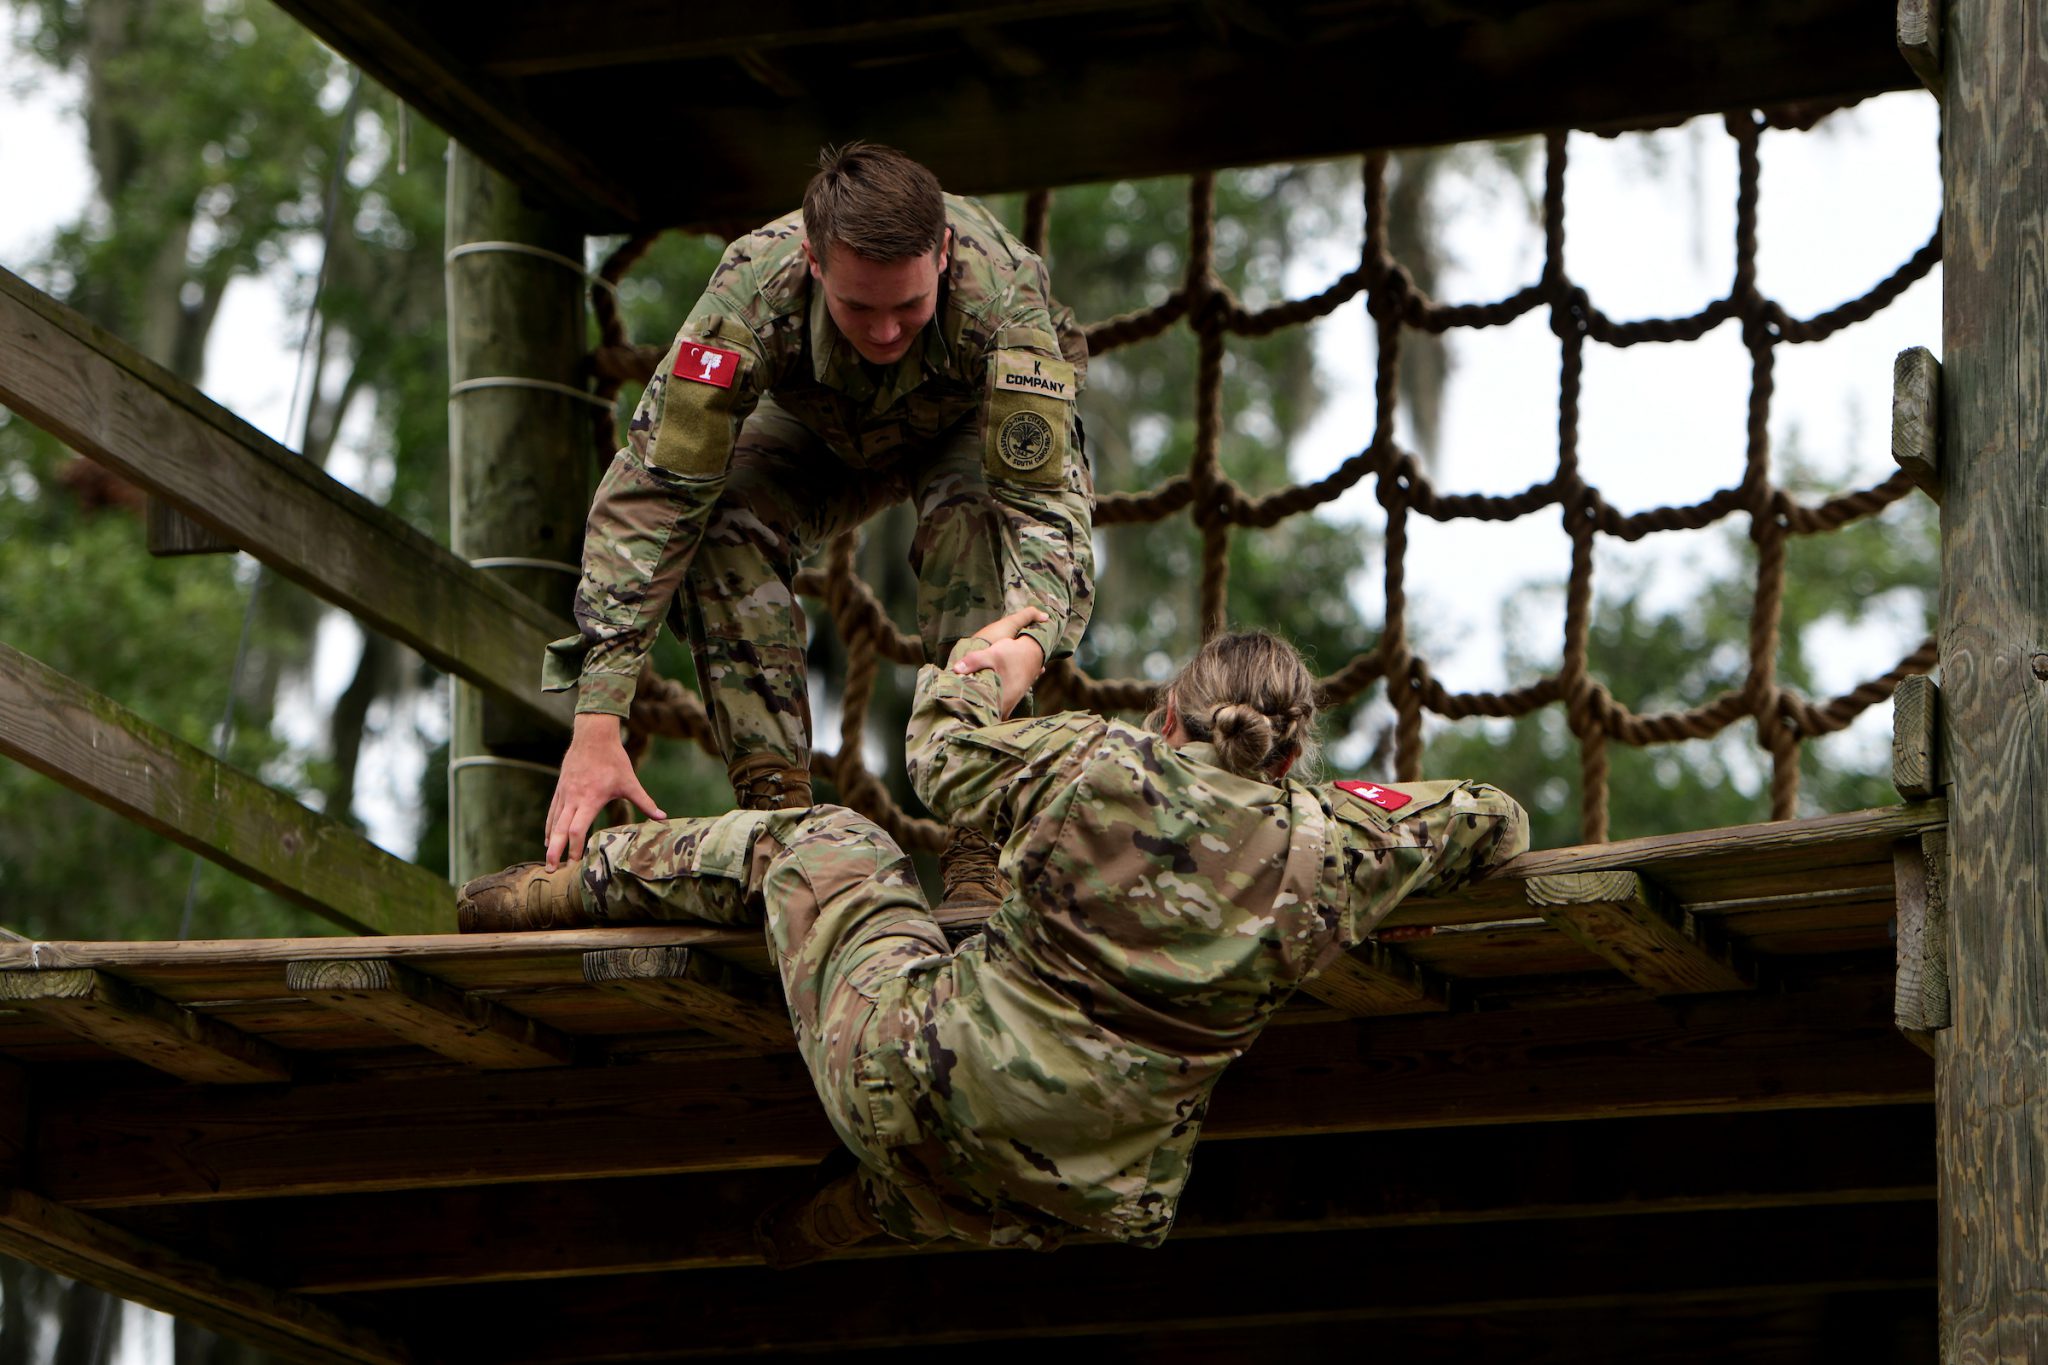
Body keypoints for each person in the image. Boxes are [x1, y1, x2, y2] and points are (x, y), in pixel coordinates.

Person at [459, 609, 1526, 1259]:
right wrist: (1346, 808)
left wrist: (991, 662)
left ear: (1170, 715)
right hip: (1102, 1197)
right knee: (1016, 1144)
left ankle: (555, 885)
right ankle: (896, 1207)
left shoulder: (1096, 759)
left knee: (830, 842)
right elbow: (1494, 816)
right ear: (1290, 753)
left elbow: (936, 761)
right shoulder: (1334, 844)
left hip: (920, 1083)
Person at [540, 142, 1095, 911]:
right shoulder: (750, 290)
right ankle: (778, 827)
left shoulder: (1004, 294)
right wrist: (598, 714)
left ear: (941, 255)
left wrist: (1030, 641)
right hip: (823, 435)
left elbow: (1042, 506)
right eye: (858, 308)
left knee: (974, 522)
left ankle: (981, 843)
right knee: (722, 513)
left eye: (908, 307)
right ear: (811, 260)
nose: (887, 333)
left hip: (964, 428)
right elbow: (656, 489)